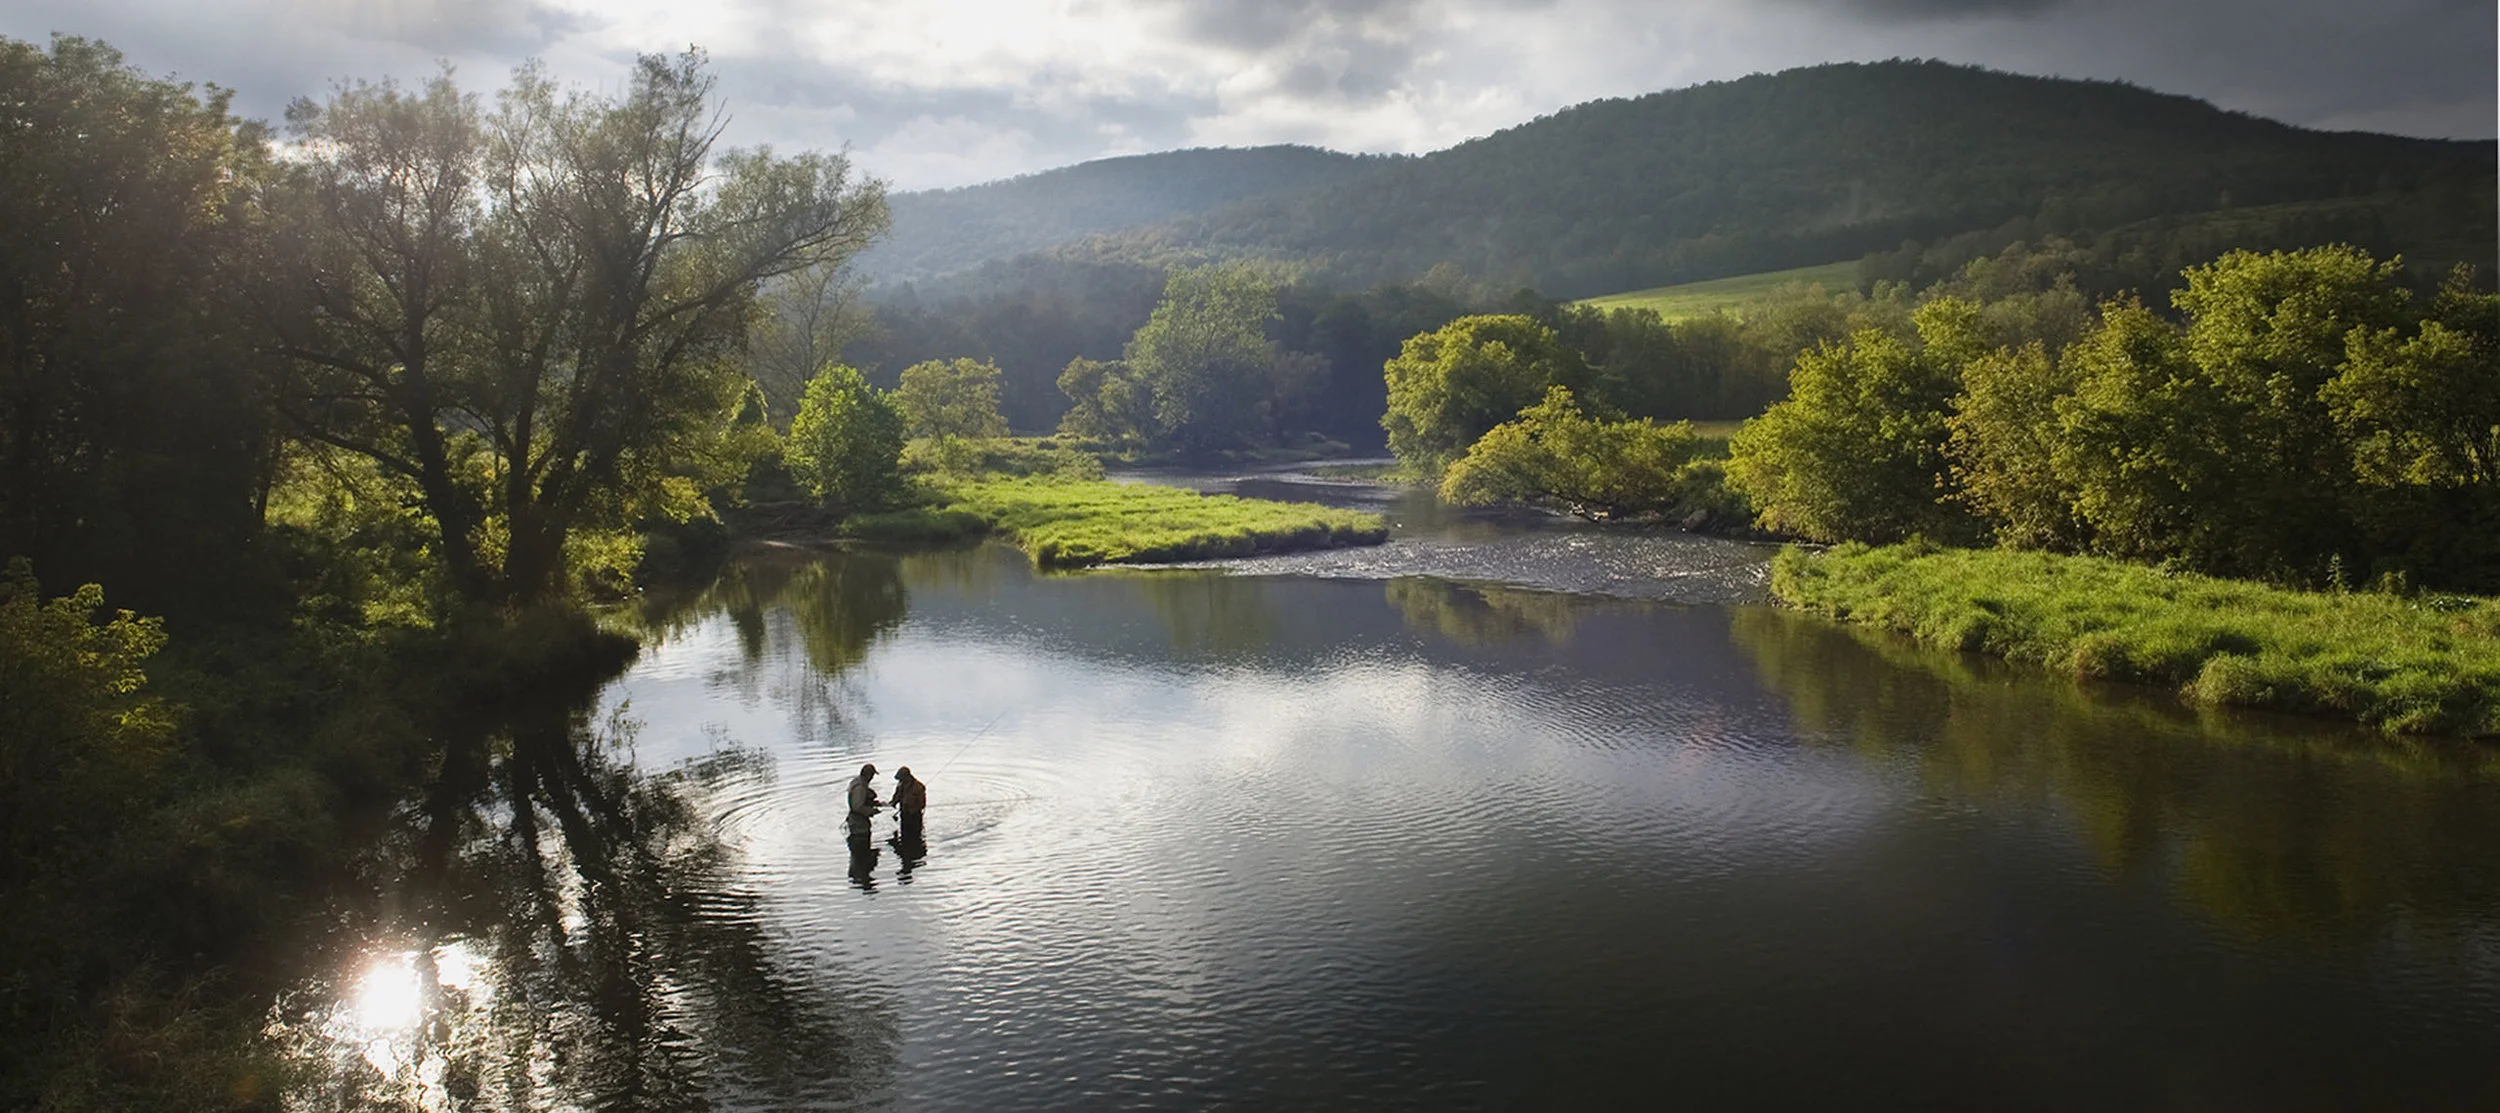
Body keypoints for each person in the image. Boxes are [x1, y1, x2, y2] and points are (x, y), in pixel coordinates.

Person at [890, 766, 927, 841]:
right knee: (905, 836)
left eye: (901, 779)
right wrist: (892, 803)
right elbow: (896, 797)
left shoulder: (919, 787)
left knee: (915, 837)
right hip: (904, 815)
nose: (900, 781)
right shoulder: (900, 785)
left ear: (907, 777)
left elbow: (922, 804)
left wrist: (910, 806)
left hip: (914, 816)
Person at [845, 762, 881, 835]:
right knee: (862, 843)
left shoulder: (857, 780)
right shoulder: (860, 787)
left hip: (855, 821)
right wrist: (872, 811)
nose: (872, 778)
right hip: (858, 824)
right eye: (872, 775)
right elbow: (857, 807)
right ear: (868, 775)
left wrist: (872, 803)